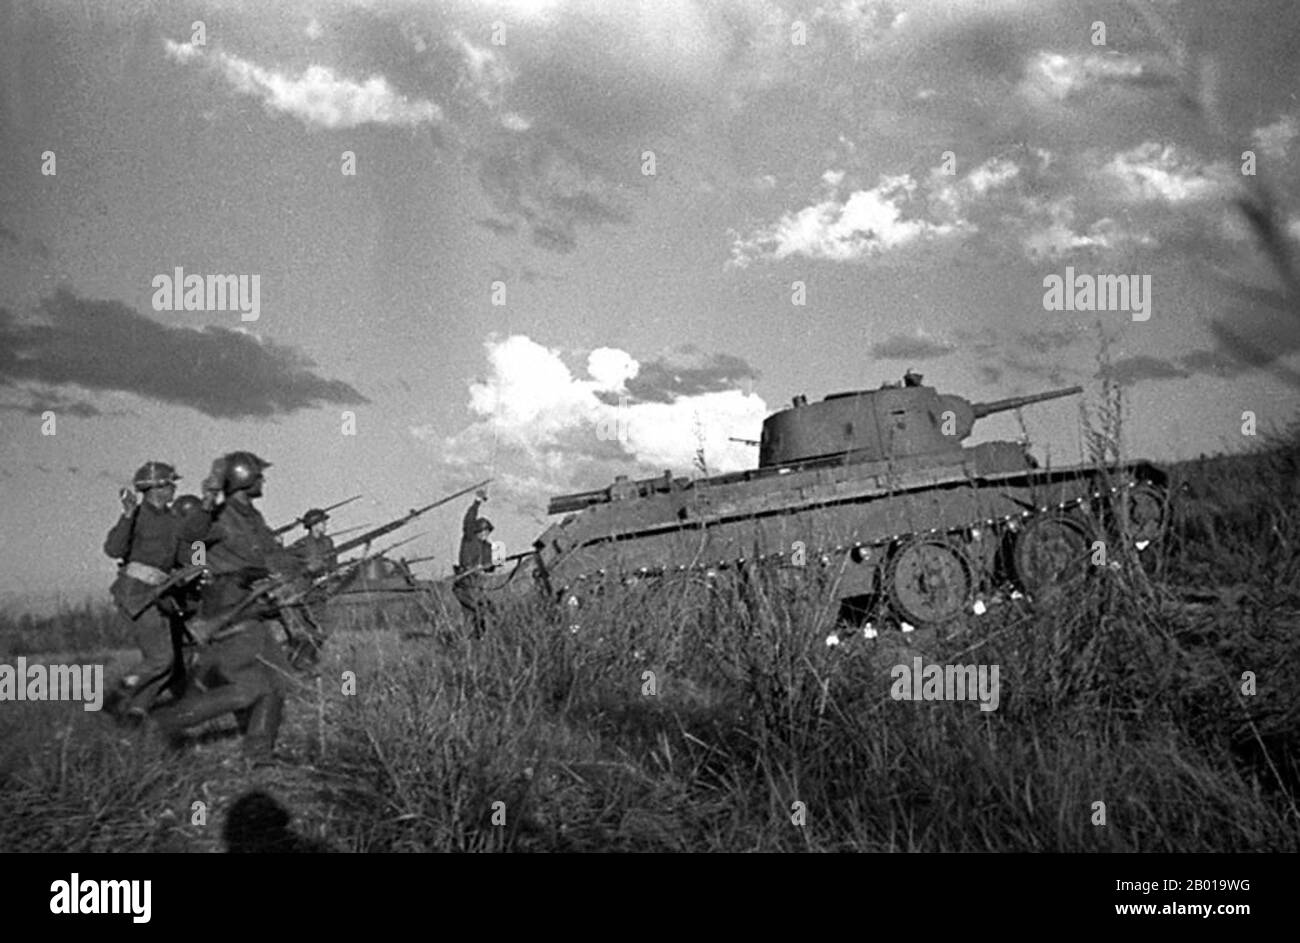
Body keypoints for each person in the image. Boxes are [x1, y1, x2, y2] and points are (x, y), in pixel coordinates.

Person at [152, 451, 300, 764]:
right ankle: (160, 726)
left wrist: (301, 565)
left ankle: (259, 754)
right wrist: (207, 501)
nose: (263, 480)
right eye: (258, 475)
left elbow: (270, 553)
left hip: (252, 604)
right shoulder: (221, 514)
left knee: (276, 679)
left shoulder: (251, 515)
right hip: (229, 606)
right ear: (246, 478)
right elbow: (191, 534)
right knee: (249, 687)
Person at [102, 462, 202, 724]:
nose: (174, 488)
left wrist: (201, 559)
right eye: (170, 484)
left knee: (166, 662)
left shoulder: (174, 520)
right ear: (156, 488)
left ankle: (135, 714)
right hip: (135, 593)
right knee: (161, 658)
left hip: (160, 594)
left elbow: (186, 554)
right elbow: (113, 549)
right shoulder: (135, 515)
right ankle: (120, 691)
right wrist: (126, 516)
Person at [453, 489, 496, 637]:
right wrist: (477, 502)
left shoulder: (487, 547)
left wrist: (492, 565)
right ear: (478, 530)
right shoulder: (469, 538)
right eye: (484, 531)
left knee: (487, 607)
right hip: (464, 580)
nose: (486, 534)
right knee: (474, 608)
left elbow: (490, 567)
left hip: (478, 583)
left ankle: (480, 636)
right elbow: (469, 520)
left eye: (488, 532)